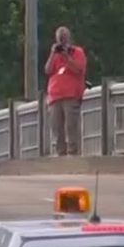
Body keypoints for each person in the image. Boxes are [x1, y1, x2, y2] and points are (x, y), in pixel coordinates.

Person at [45, 26, 88, 156]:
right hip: (55, 96)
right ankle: (60, 154)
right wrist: (53, 53)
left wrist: (66, 56)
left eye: (64, 39)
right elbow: (47, 70)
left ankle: (73, 154)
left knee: (71, 127)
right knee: (57, 128)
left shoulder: (77, 52)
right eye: (60, 39)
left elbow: (78, 70)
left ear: (69, 38)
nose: (62, 43)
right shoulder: (55, 55)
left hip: (71, 95)